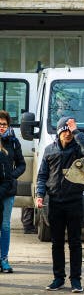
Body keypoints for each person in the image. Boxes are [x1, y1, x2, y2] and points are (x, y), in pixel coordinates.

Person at [35, 115, 84, 293]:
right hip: (55, 202)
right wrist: (40, 195)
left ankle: (76, 280)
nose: (68, 134)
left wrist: (76, 131)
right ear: (59, 132)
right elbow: (42, 175)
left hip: (74, 201)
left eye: (70, 131)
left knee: (75, 243)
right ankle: (58, 278)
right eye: (65, 130)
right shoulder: (49, 150)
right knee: (57, 243)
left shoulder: (78, 150)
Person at [0, 110, 25, 272]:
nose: (1, 127)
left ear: (8, 126)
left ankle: (4, 259)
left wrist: (11, 176)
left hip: (8, 189)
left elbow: (22, 164)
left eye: (4, 124)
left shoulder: (14, 142)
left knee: (6, 226)